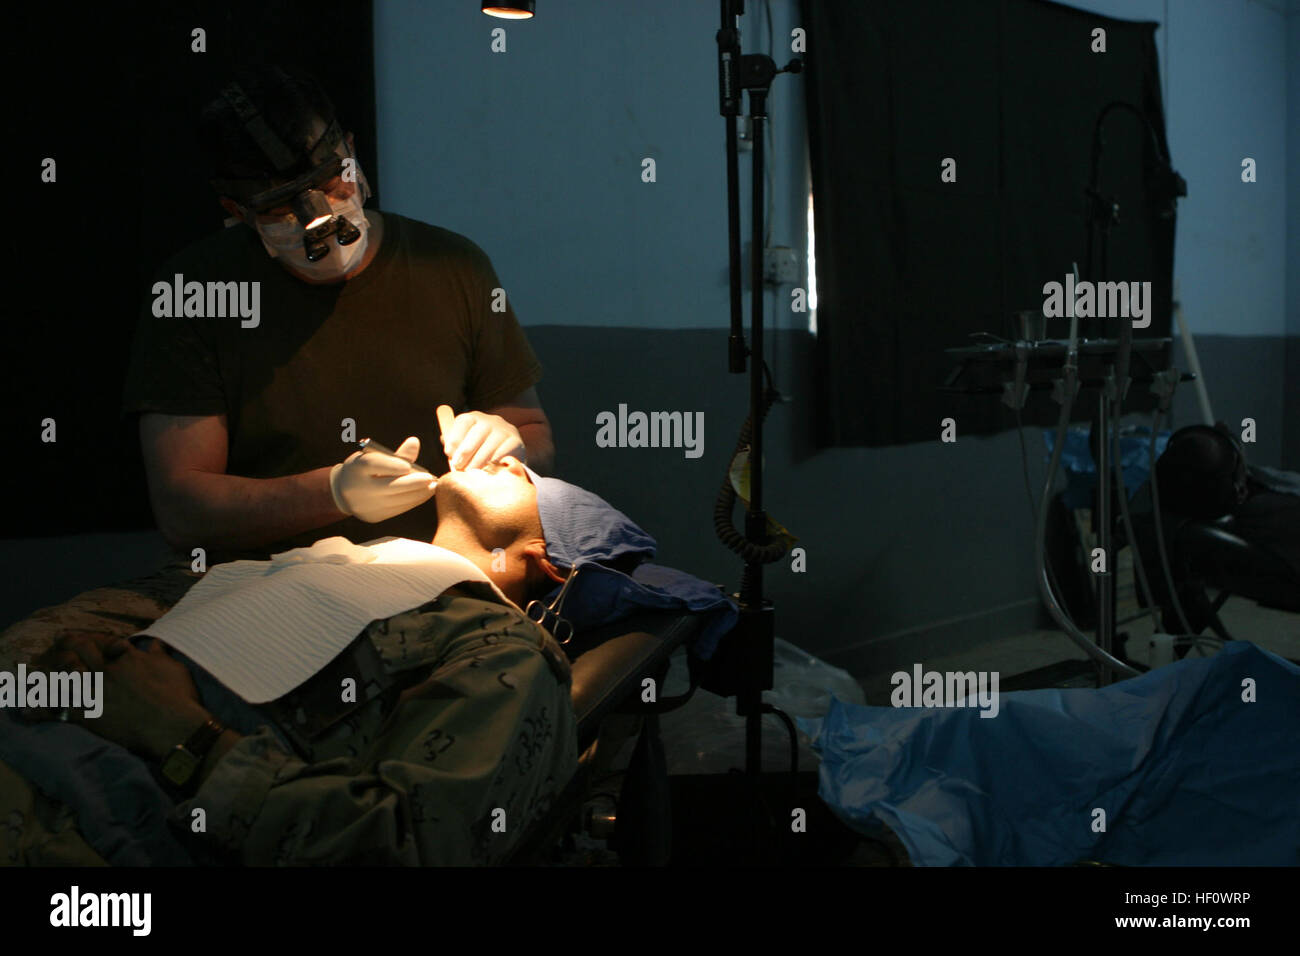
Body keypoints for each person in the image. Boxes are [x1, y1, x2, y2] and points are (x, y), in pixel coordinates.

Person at [2, 457, 592, 866]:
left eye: (534, 480)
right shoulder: (319, 564)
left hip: (79, 827)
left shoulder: (506, 644)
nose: (514, 461)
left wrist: (184, 737)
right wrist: (71, 673)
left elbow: (406, 848)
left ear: (548, 562)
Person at [125, 64, 556, 561]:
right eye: (280, 205)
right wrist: (330, 492)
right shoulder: (194, 295)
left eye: (333, 180)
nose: (319, 216)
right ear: (235, 209)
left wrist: (513, 449)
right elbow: (183, 515)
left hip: (442, 573)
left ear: (351, 149)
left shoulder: (455, 267)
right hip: (266, 587)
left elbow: (535, 436)